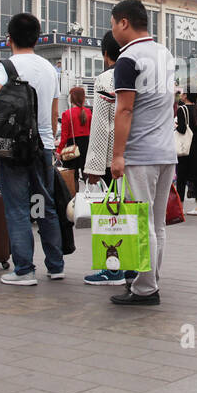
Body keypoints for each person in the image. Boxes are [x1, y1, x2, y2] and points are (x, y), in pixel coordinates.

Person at [108, 0, 177, 306]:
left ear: (124, 23)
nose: (112, 31)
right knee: (156, 223)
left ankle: (146, 288)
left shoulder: (128, 59)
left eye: (113, 24)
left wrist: (117, 155)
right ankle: (150, 281)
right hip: (166, 151)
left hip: (140, 153)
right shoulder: (164, 53)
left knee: (142, 221)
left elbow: (125, 111)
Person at [0, 13, 64, 285]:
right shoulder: (48, 69)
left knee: (17, 207)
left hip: (16, 148)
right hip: (43, 145)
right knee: (44, 205)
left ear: (10, 38)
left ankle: (24, 269)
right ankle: (55, 266)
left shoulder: (7, 65)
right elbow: (54, 112)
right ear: (37, 38)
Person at [83, 32, 126, 286]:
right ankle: (136, 266)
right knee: (136, 214)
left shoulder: (105, 79)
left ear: (105, 54)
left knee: (113, 216)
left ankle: (113, 269)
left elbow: (102, 126)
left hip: (114, 160)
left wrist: (94, 167)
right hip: (140, 157)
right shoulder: (141, 75)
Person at [174, 90, 197, 215]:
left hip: (186, 147)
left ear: (186, 95)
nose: (180, 95)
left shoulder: (181, 109)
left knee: (181, 177)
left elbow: (182, 130)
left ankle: (180, 206)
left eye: (182, 93)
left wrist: (175, 125)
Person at [58, 86, 91, 178]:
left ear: (71, 98)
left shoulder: (67, 113)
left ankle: (74, 192)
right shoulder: (88, 112)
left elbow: (64, 136)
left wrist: (59, 150)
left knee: (72, 175)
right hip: (86, 145)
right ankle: (89, 191)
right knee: (86, 172)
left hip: (72, 146)